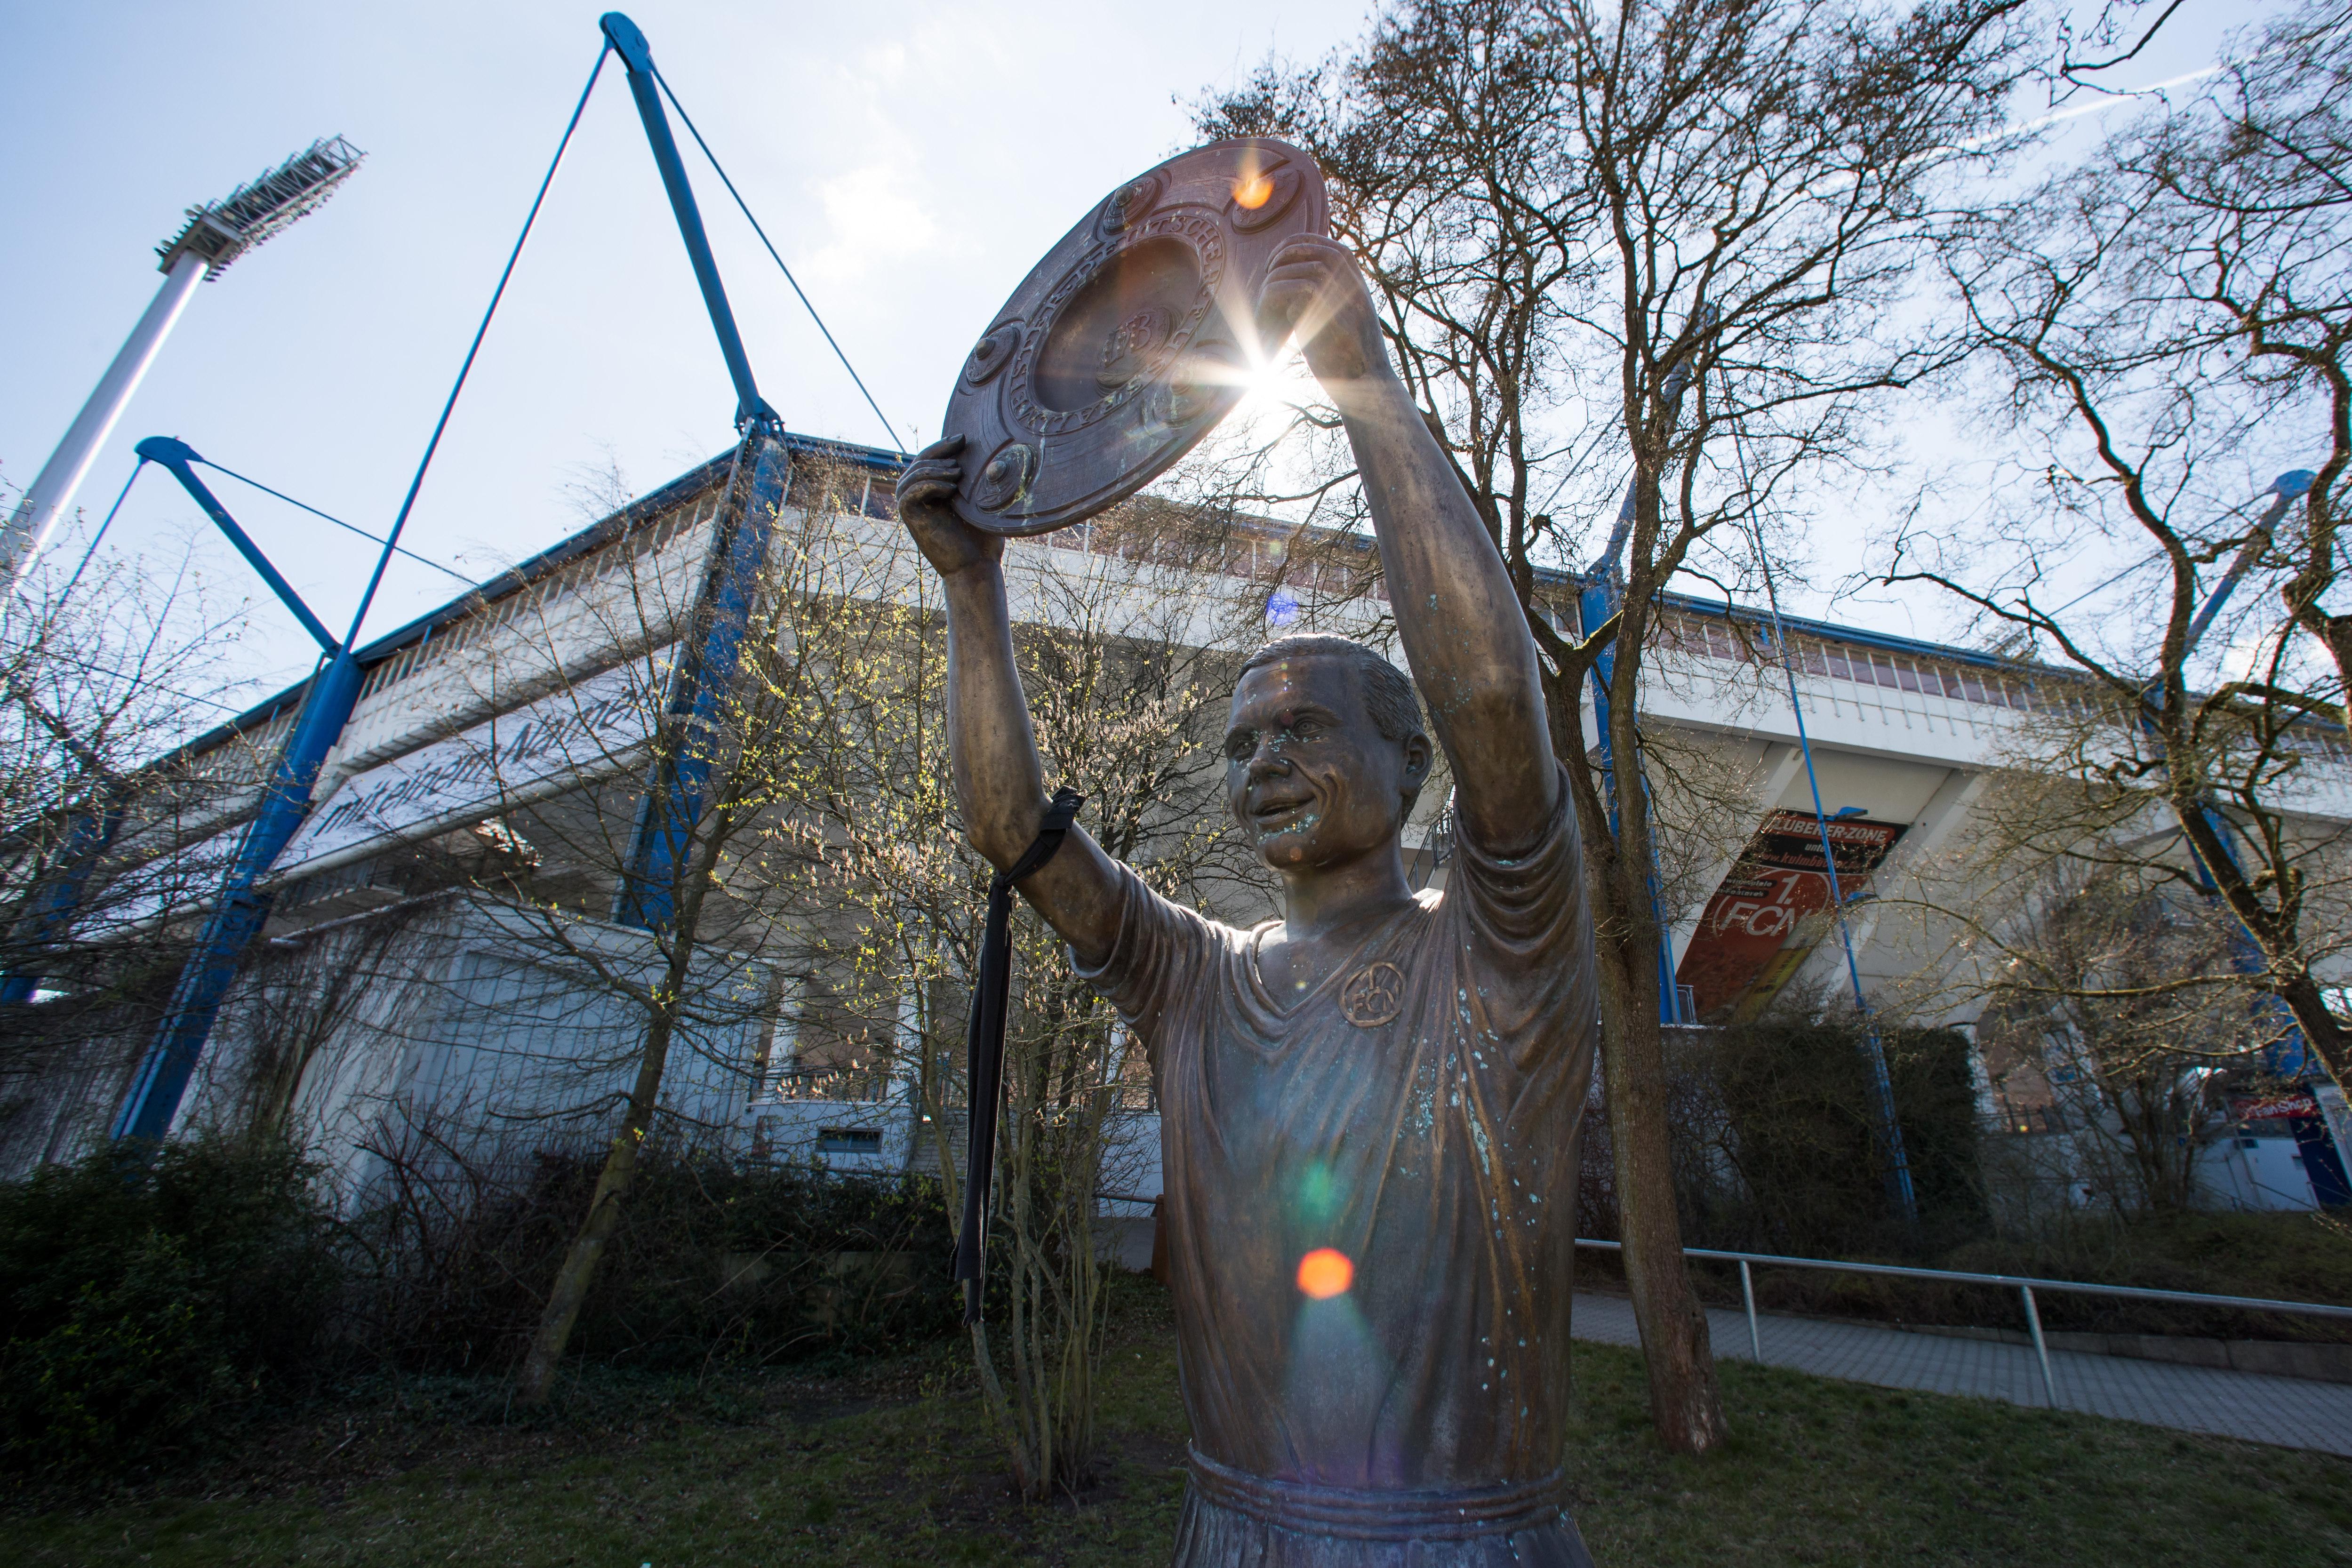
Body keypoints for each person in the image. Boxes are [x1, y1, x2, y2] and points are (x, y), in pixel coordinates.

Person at [896, 235, 1598, 1567]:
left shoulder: (1501, 946)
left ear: (1407, 761)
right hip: (1232, 1535)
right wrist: (970, 586)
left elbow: (1500, 701)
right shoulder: (1198, 979)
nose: (1262, 763)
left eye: (1304, 729)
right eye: (1239, 745)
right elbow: (1008, 830)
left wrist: (1361, 382)